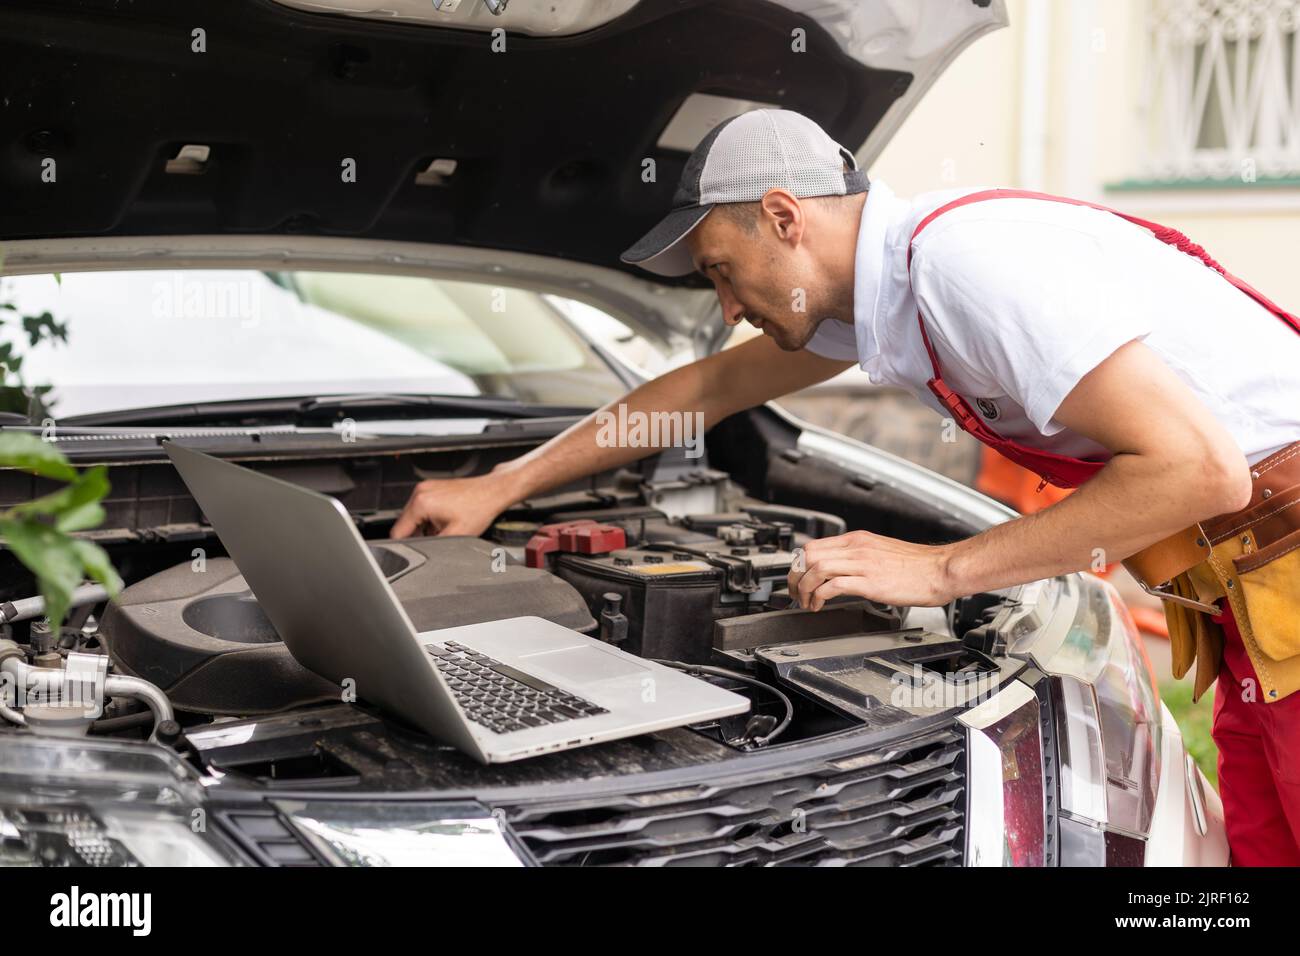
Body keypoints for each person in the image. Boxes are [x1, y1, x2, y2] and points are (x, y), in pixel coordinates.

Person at [393, 109, 1300, 865]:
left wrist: (942, 571)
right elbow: (703, 390)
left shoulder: (964, 265)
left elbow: (1197, 468)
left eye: (721, 271)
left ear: (786, 218)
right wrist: (502, 484)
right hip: (1252, 610)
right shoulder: (882, 290)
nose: (729, 308)